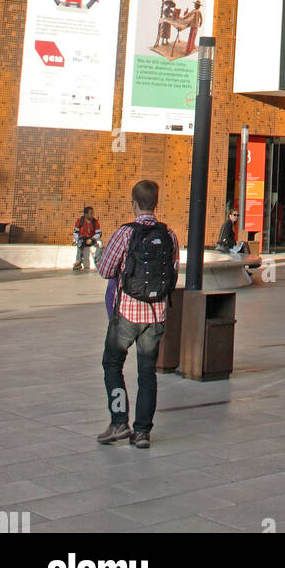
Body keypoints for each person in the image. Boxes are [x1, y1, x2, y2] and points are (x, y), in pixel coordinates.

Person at [96, 179, 179, 449]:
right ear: (156, 204)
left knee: (112, 364)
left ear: (134, 203)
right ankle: (142, 432)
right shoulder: (169, 235)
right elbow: (173, 275)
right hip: (155, 317)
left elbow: (106, 270)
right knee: (147, 373)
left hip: (127, 314)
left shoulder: (125, 233)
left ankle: (120, 421)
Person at [73, 206, 101, 271]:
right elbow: (76, 232)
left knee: (98, 245)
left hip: (92, 238)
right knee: (79, 244)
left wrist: (92, 239)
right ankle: (78, 261)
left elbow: (99, 234)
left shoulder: (95, 221)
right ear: (86, 214)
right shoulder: (80, 221)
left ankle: (98, 262)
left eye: (92, 213)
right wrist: (75, 240)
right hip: (82, 239)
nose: (92, 215)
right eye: (91, 213)